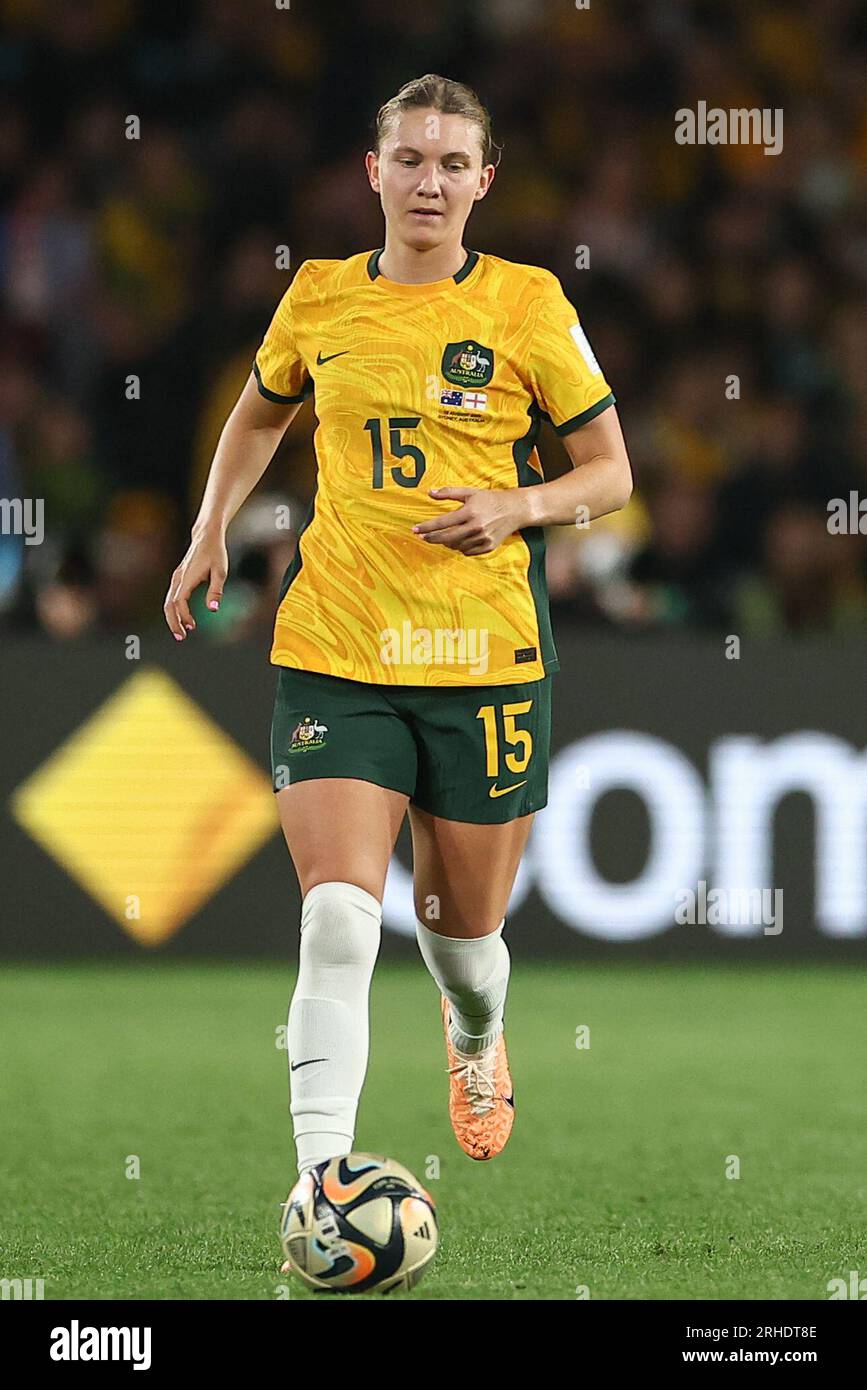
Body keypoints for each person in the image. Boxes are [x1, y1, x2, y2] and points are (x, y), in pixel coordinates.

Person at [163, 74, 632, 1192]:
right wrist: (209, 530)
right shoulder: (321, 297)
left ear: (484, 180)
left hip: (484, 663)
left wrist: (518, 506)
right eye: (410, 160)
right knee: (336, 917)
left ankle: (474, 1035)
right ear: (374, 173)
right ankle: (322, 1187)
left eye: (452, 163)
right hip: (337, 651)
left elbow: (610, 474)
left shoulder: (526, 304)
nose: (430, 180)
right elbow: (259, 412)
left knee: (462, 943)